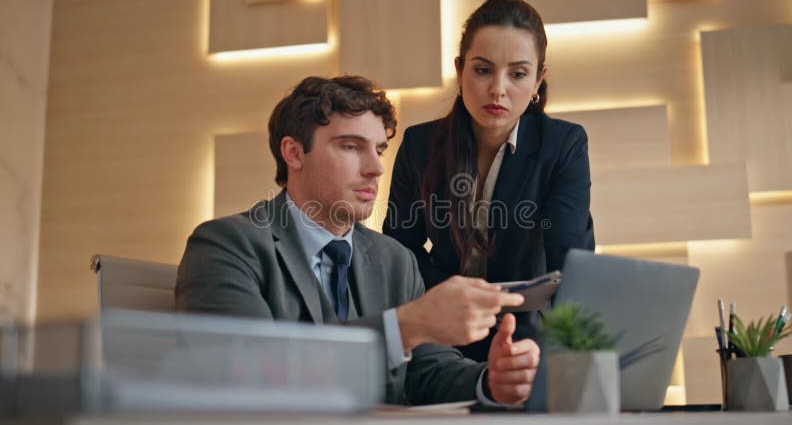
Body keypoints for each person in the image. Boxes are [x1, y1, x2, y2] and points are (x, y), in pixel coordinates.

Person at [175, 75, 541, 406]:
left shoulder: (395, 259)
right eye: (351, 146)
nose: (376, 168)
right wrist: (403, 326)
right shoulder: (225, 246)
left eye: (379, 149)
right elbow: (247, 367)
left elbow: (428, 372)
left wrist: (490, 380)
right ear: (293, 152)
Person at [382, 0, 595, 362]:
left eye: (517, 74)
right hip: (438, 337)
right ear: (460, 70)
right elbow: (400, 253)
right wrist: (454, 297)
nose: (498, 89)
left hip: (527, 338)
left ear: (539, 79)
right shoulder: (419, 145)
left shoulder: (563, 144)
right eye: (483, 70)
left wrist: (573, 360)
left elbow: (570, 260)